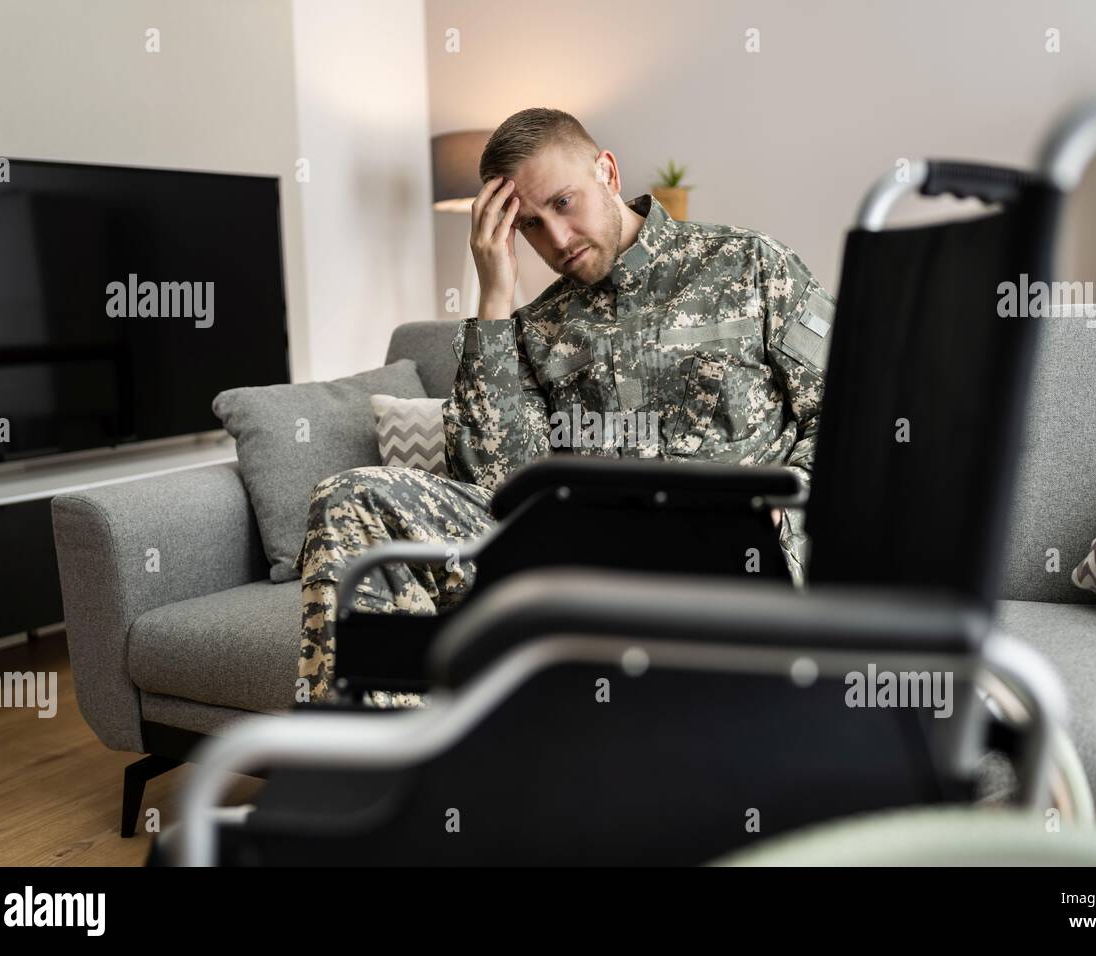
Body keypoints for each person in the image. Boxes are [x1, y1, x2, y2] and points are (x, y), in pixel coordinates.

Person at [297, 107, 835, 704]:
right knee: (351, 498)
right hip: (578, 556)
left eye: (562, 203)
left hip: (722, 551)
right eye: (528, 225)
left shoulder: (750, 264)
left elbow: (845, 410)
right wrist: (495, 296)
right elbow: (496, 482)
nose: (555, 240)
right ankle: (375, 765)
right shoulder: (535, 326)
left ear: (606, 170)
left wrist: (788, 506)